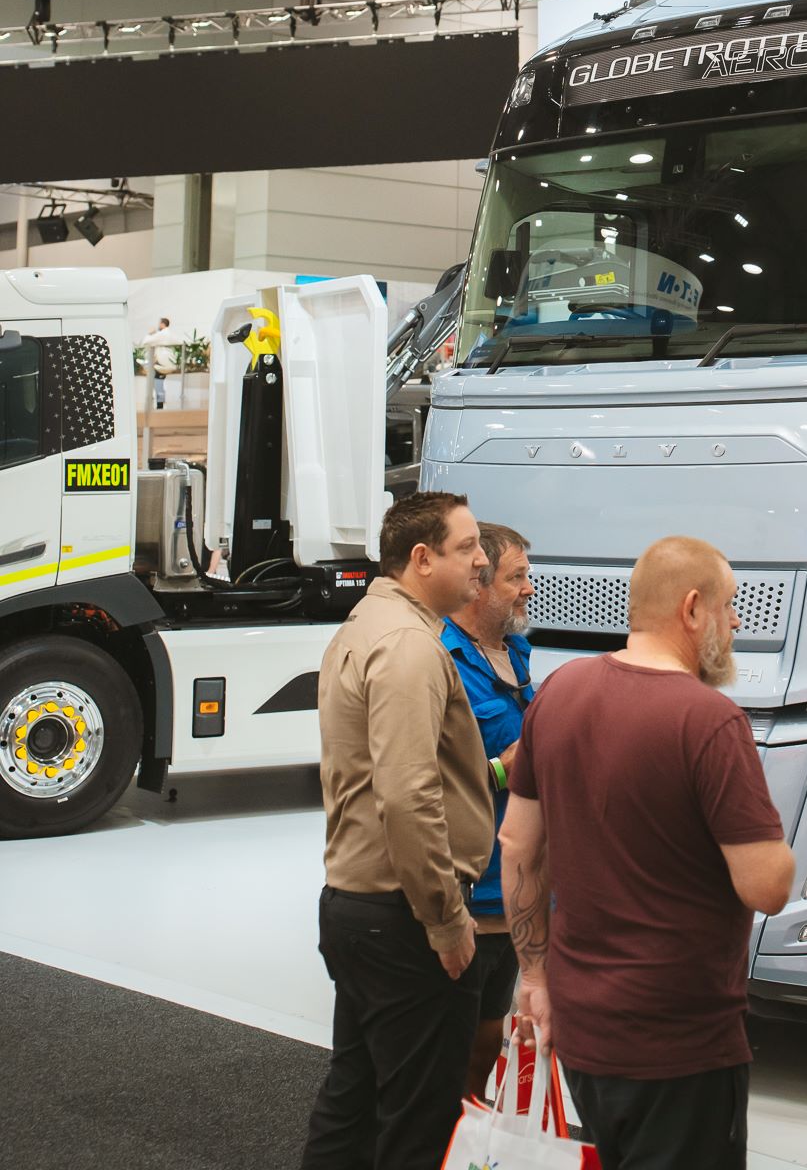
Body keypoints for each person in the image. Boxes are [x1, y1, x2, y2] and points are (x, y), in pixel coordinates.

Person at [500, 535, 795, 1170]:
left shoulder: (559, 692)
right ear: (692, 609)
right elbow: (767, 887)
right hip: (680, 1041)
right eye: (730, 605)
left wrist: (534, 976)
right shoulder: (710, 721)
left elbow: (518, 844)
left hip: (583, 1025)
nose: (736, 623)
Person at [299, 492, 494, 1170]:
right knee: (418, 1124)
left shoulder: (366, 624)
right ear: (421, 558)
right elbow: (408, 795)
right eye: (467, 546)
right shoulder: (409, 645)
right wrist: (445, 919)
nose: (481, 560)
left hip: (360, 906)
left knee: (352, 1105)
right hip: (403, 918)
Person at [441, 521, 537, 1097]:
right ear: (478, 583)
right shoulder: (440, 658)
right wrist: (504, 769)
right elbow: (422, 782)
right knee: (443, 1055)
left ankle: (469, 1137)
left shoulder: (517, 650)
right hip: (464, 899)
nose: (529, 588)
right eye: (517, 577)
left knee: (484, 1045)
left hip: (513, 896)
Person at [140, 317, 175, 409]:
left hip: (161, 363)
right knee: (160, 384)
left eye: (159, 323)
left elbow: (145, 342)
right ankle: (160, 404)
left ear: (163, 324)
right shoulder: (170, 334)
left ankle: (160, 405)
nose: (158, 325)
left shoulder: (162, 334)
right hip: (168, 362)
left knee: (158, 384)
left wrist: (150, 333)